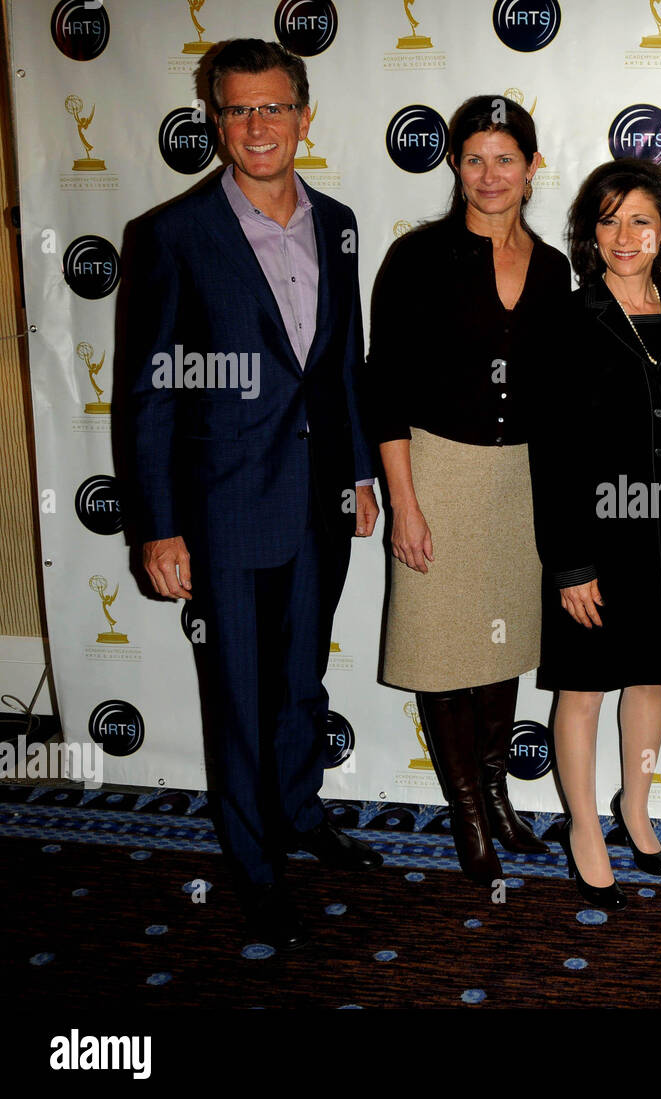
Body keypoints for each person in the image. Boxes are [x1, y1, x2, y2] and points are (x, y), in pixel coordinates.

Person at [128, 39, 382, 950]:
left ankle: (301, 811)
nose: (257, 126)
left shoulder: (341, 222)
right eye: (238, 110)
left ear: (305, 116)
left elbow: (340, 364)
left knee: (299, 679)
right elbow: (150, 389)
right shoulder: (171, 234)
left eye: (273, 107)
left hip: (319, 498)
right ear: (216, 121)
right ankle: (255, 862)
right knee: (236, 690)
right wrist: (158, 526)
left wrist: (358, 469)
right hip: (224, 504)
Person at [367, 95, 570, 886]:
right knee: (444, 652)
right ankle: (466, 813)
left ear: (531, 167)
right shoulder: (417, 258)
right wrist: (404, 501)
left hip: (520, 477)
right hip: (438, 469)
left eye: (506, 159)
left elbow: (558, 390)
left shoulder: (552, 266)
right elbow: (383, 385)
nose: (491, 175)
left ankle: (496, 789)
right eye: (475, 158)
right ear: (455, 165)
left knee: (501, 642)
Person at [529, 159, 661, 910]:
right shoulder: (567, 320)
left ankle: (634, 804)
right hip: (593, 541)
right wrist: (570, 565)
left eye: (641, 219)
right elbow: (554, 448)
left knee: (649, 680)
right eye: (609, 220)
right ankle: (583, 826)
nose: (625, 235)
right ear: (590, 234)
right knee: (583, 690)